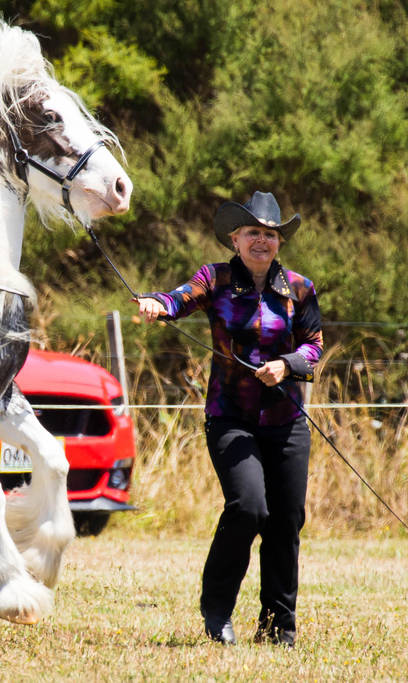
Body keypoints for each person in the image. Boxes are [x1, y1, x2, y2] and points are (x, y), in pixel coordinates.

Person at [135, 191, 323, 648]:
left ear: (279, 241)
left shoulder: (299, 288)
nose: (262, 241)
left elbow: (314, 346)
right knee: (249, 507)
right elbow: (180, 297)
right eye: (252, 233)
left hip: (287, 421)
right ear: (235, 239)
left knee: (286, 519)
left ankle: (279, 625)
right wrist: (157, 303)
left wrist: (288, 364)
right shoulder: (215, 279)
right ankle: (217, 609)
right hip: (230, 418)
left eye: (270, 234)